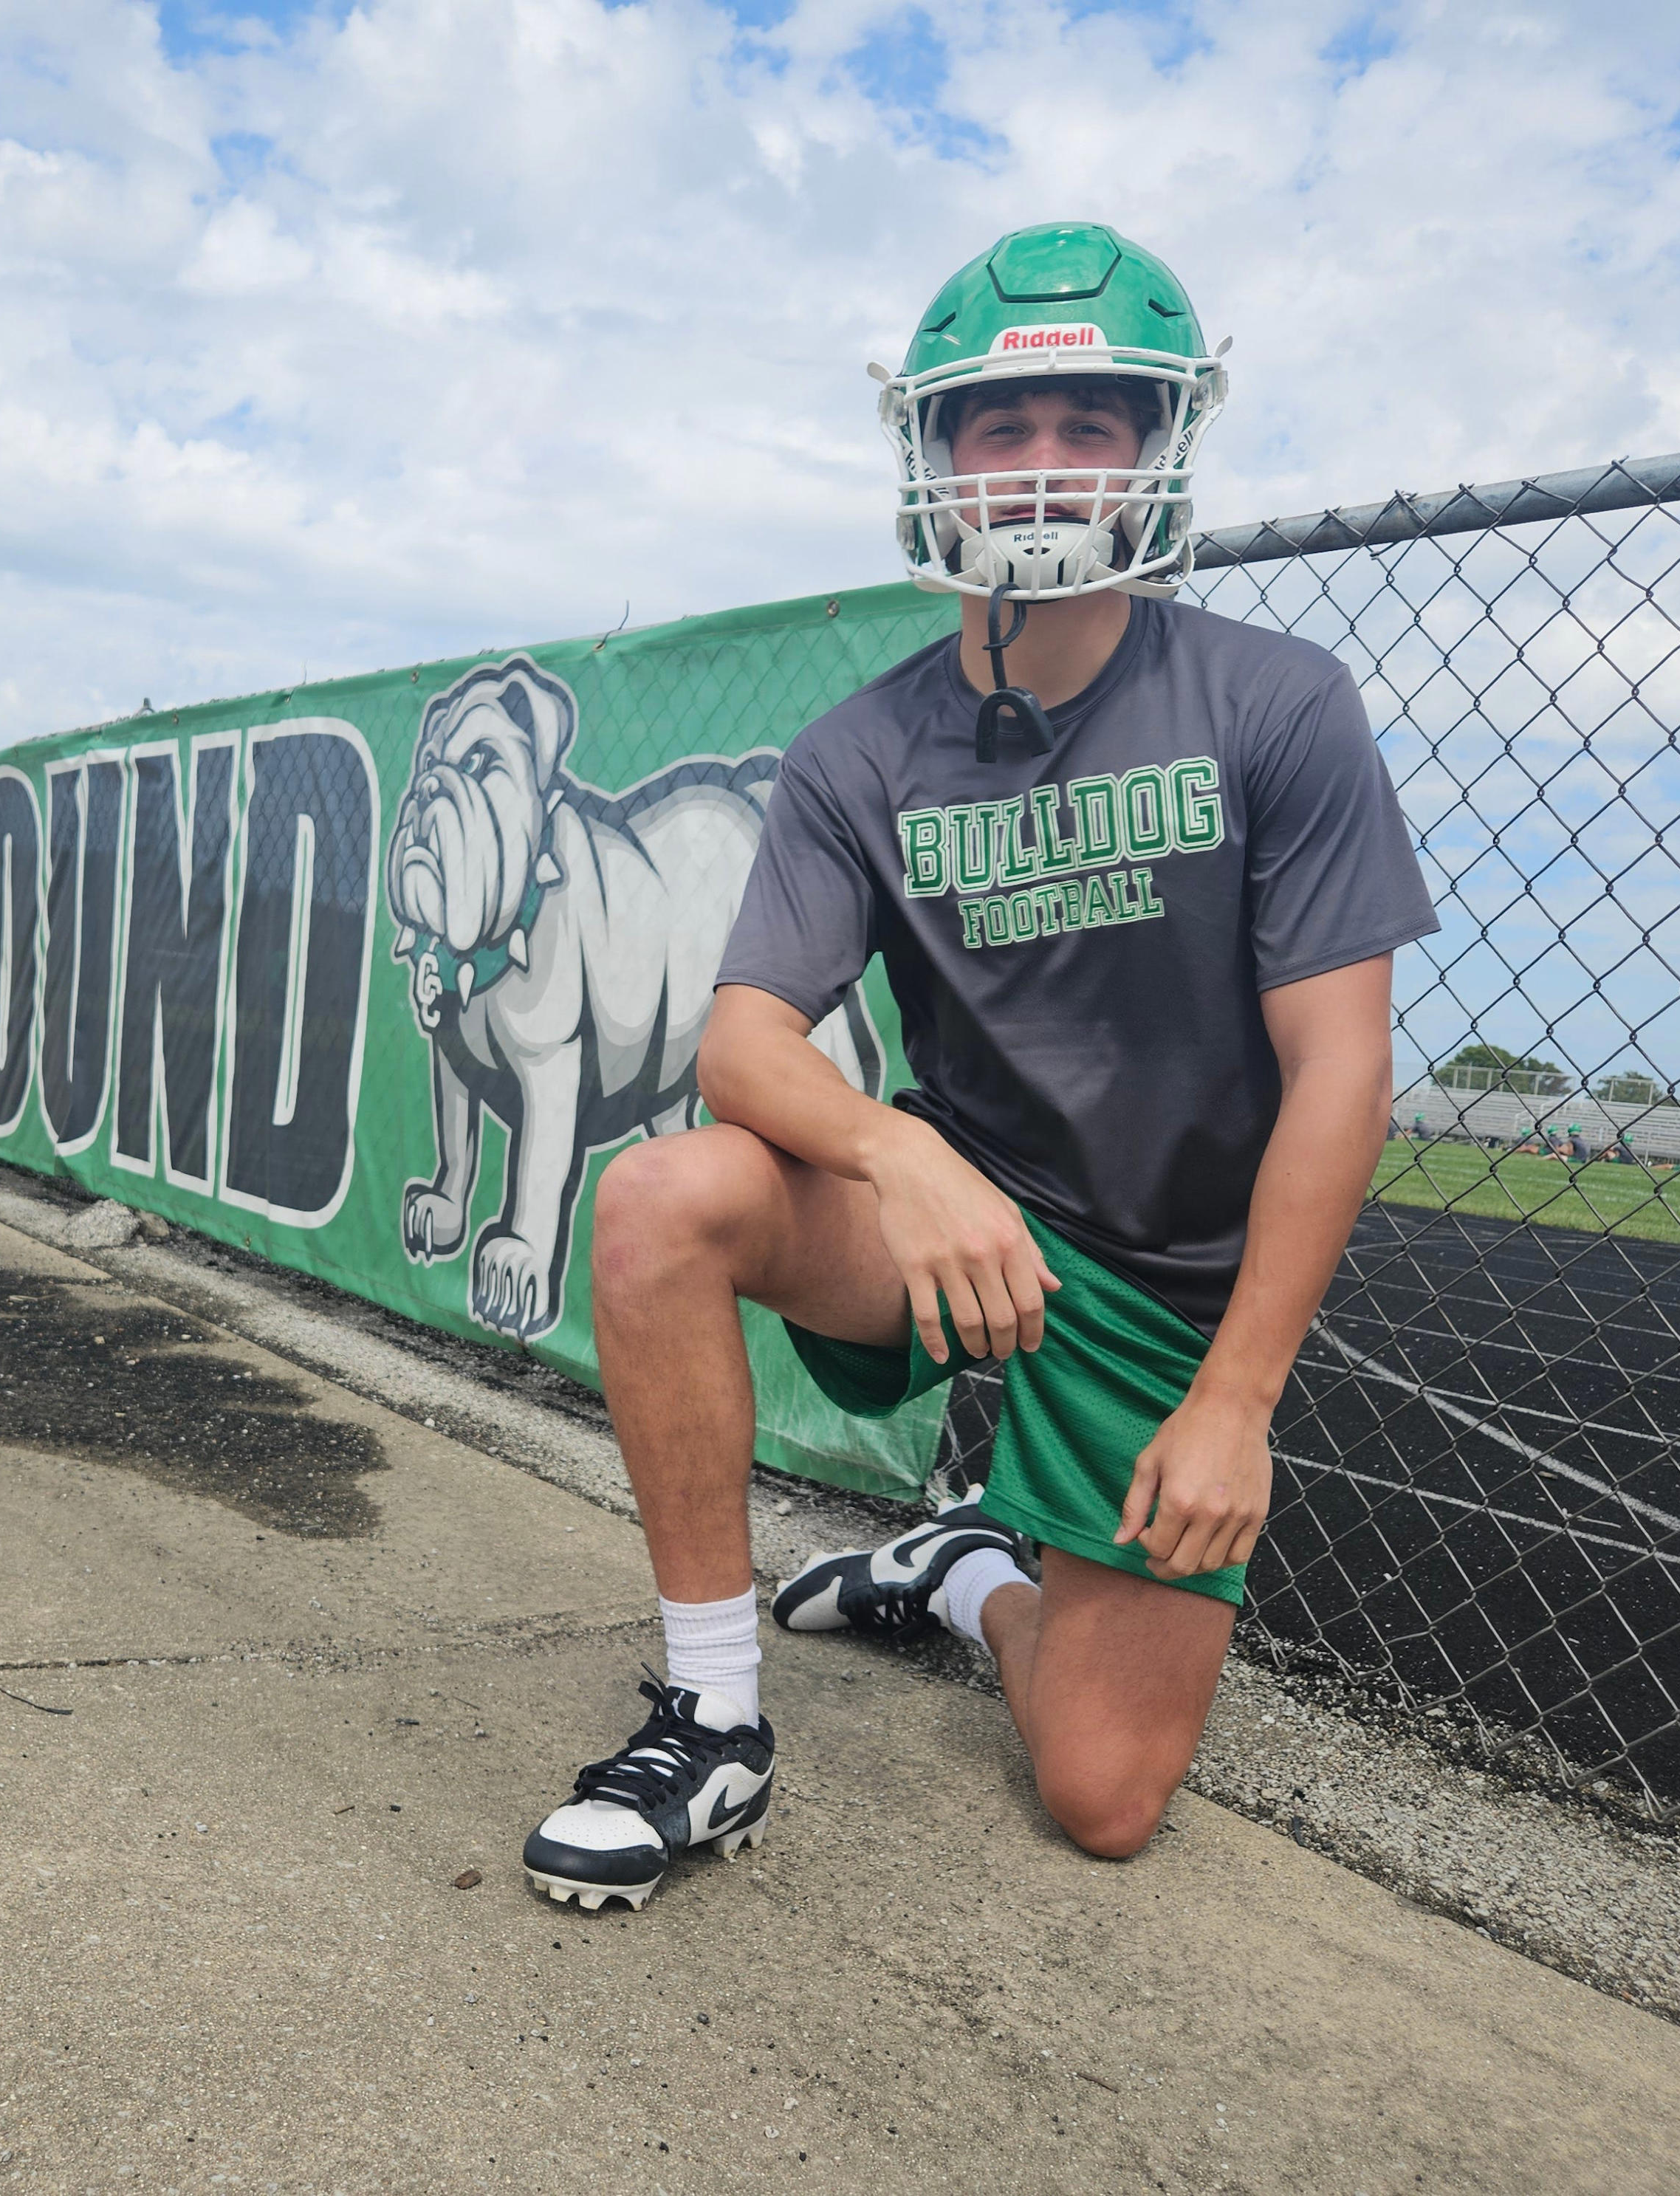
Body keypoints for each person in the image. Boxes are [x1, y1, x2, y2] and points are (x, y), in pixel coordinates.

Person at [521, 222, 1438, 1910]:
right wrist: (902, 1152)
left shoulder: (1278, 701)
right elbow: (741, 1043)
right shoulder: (867, 742)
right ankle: (709, 1718)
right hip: (966, 1234)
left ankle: (964, 1577)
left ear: (1161, 445)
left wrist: (1236, 1400)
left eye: (1091, 423)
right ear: (932, 454)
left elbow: (1341, 1074)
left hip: (1168, 1283)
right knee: (665, 1196)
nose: (1040, 468)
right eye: (999, 430)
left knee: (1102, 1797)